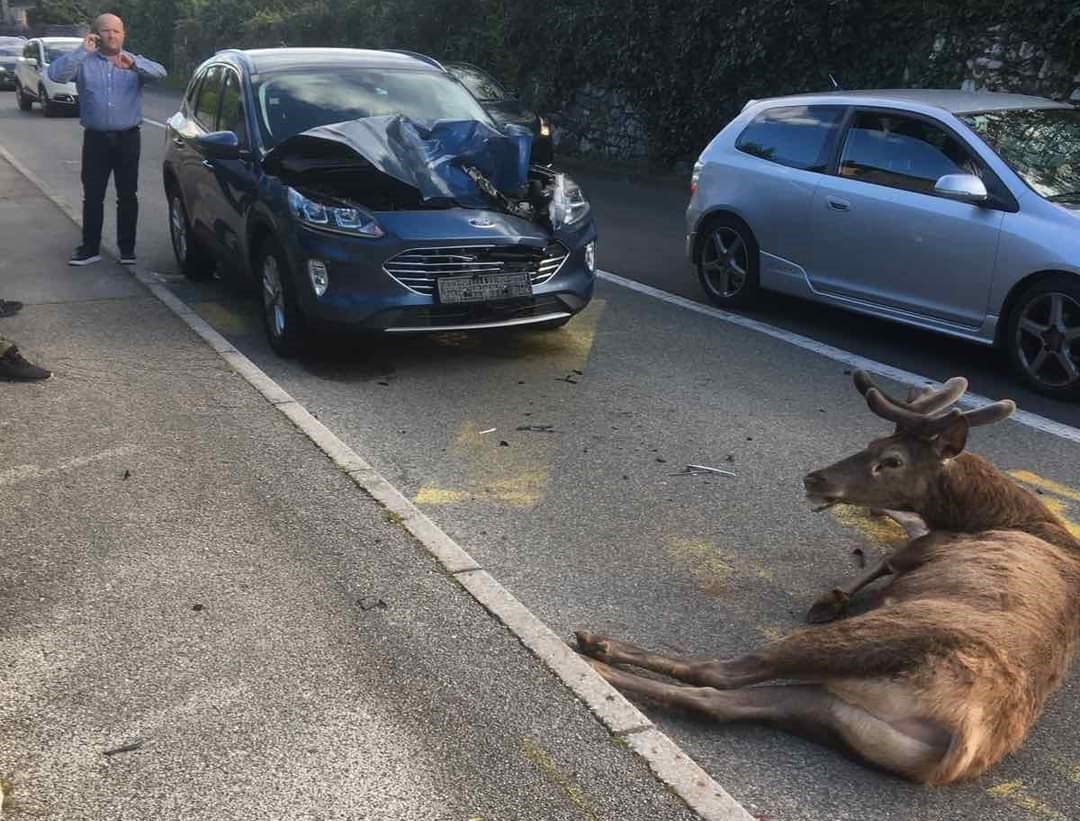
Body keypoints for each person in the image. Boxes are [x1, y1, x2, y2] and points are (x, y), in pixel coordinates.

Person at [48, 13, 166, 267]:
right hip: (96, 140)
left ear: (123, 35)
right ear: (95, 34)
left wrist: (134, 65)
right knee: (92, 196)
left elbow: (160, 73)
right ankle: (90, 248)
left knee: (127, 195)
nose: (111, 35)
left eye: (116, 31)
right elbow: (56, 75)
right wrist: (81, 50)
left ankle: (127, 250)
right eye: (105, 31)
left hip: (128, 138)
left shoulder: (133, 61)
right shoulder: (84, 61)